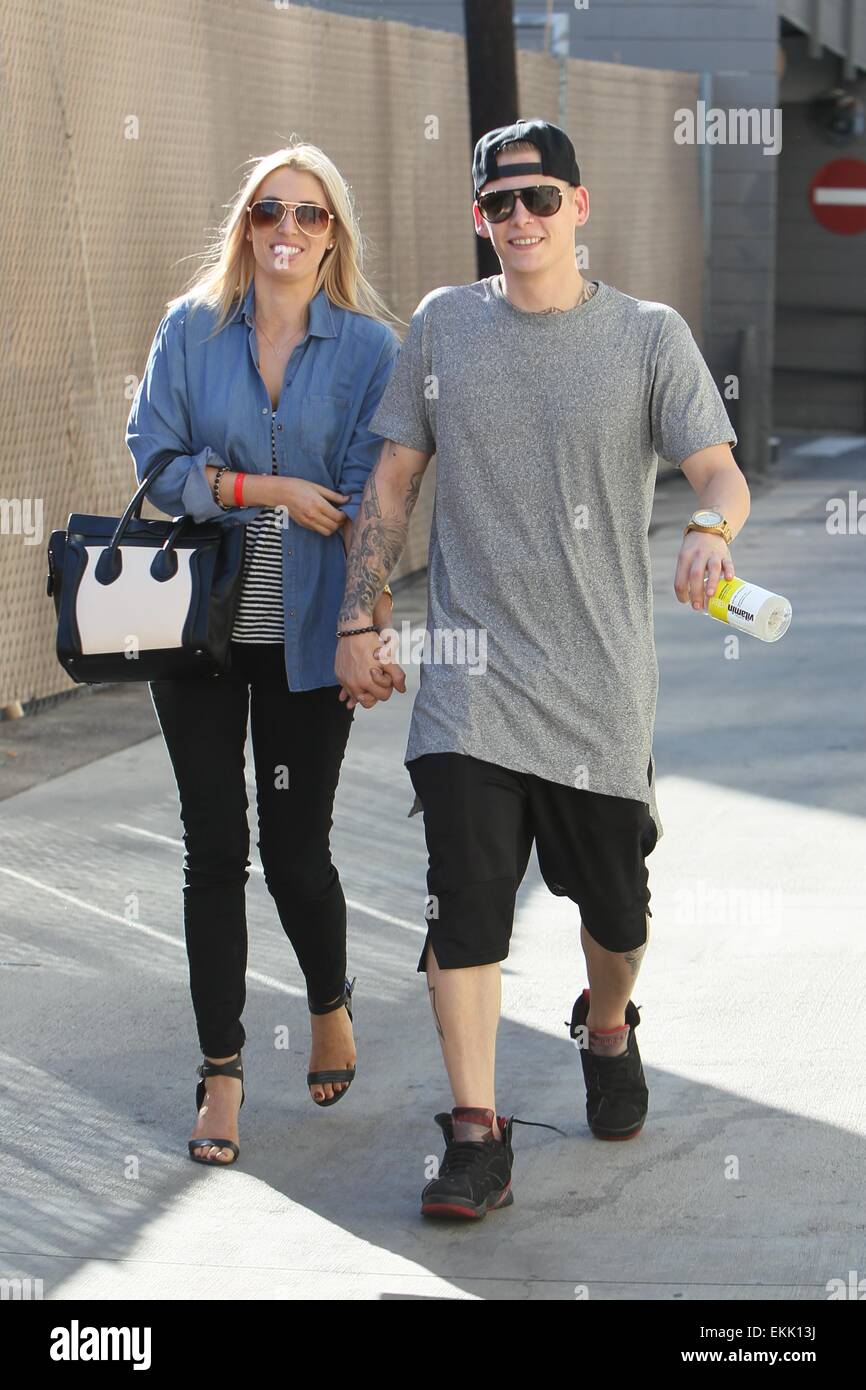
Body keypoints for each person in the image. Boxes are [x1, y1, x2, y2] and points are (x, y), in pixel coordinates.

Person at [335, 118, 750, 1218]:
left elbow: (716, 466)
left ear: (578, 205)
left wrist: (711, 526)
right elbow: (388, 484)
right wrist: (359, 616)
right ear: (478, 218)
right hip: (470, 678)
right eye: (497, 204)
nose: (518, 219)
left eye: (538, 198)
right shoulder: (439, 327)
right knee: (464, 908)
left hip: (600, 686)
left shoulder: (647, 335)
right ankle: (474, 1134)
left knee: (616, 915)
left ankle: (604, 1022)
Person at [126, 142, 401, 1166]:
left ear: (334, 235)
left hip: (307, 629)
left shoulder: (372, 350)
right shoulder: (190, 331)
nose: (287, 230)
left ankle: (327, 1000)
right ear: (245, 224)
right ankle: (222, 1071)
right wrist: (263, 491)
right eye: (268, 212)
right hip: (197, 627)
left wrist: (362, 623)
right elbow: (155, 462)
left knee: (294, 851)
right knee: (213, 846)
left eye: (310, 216)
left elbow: (377, 499)